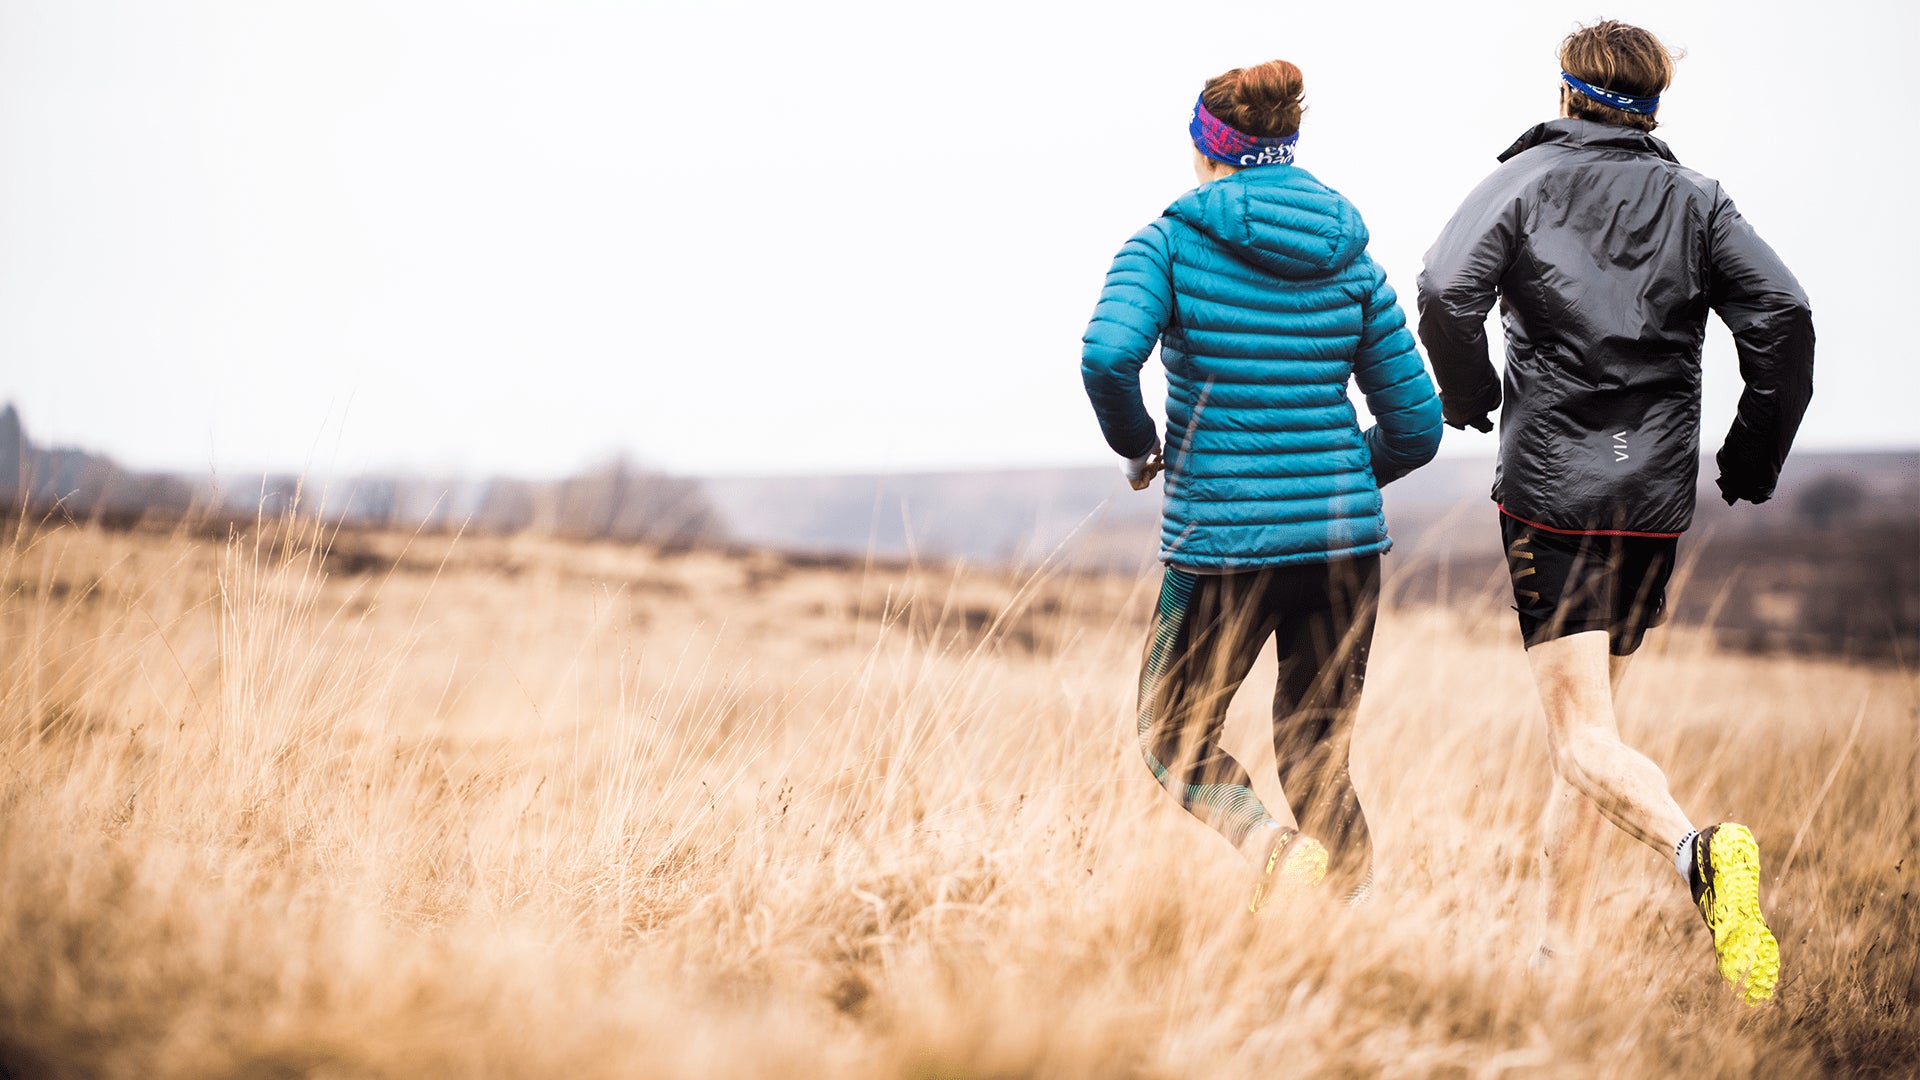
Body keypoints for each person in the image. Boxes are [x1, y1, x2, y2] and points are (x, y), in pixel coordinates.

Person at [1416, 20, 1813, 1004]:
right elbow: (1786, 314)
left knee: (1580, 741)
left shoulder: (1521, 182)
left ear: (1566, 94)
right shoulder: (1698, 202)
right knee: (1597, 735)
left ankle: (1696, 853)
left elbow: (1441, 287)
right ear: (1654, 104)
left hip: (1551, 489)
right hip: (1652, 494)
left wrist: (1469, 399)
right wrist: (1753, 452)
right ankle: (1558, 962)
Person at [1081, 59, 1442, 913]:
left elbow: (1105, 356)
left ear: (1208, 150)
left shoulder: (1166, 244)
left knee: (1170, 738)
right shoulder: (1350, 257)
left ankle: (1276, 852)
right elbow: (1418, 428)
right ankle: (1352, 922)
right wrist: (1345, 476)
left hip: (1220, 547)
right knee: (1318, 754)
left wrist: (1140, 451)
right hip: (1343, 545)